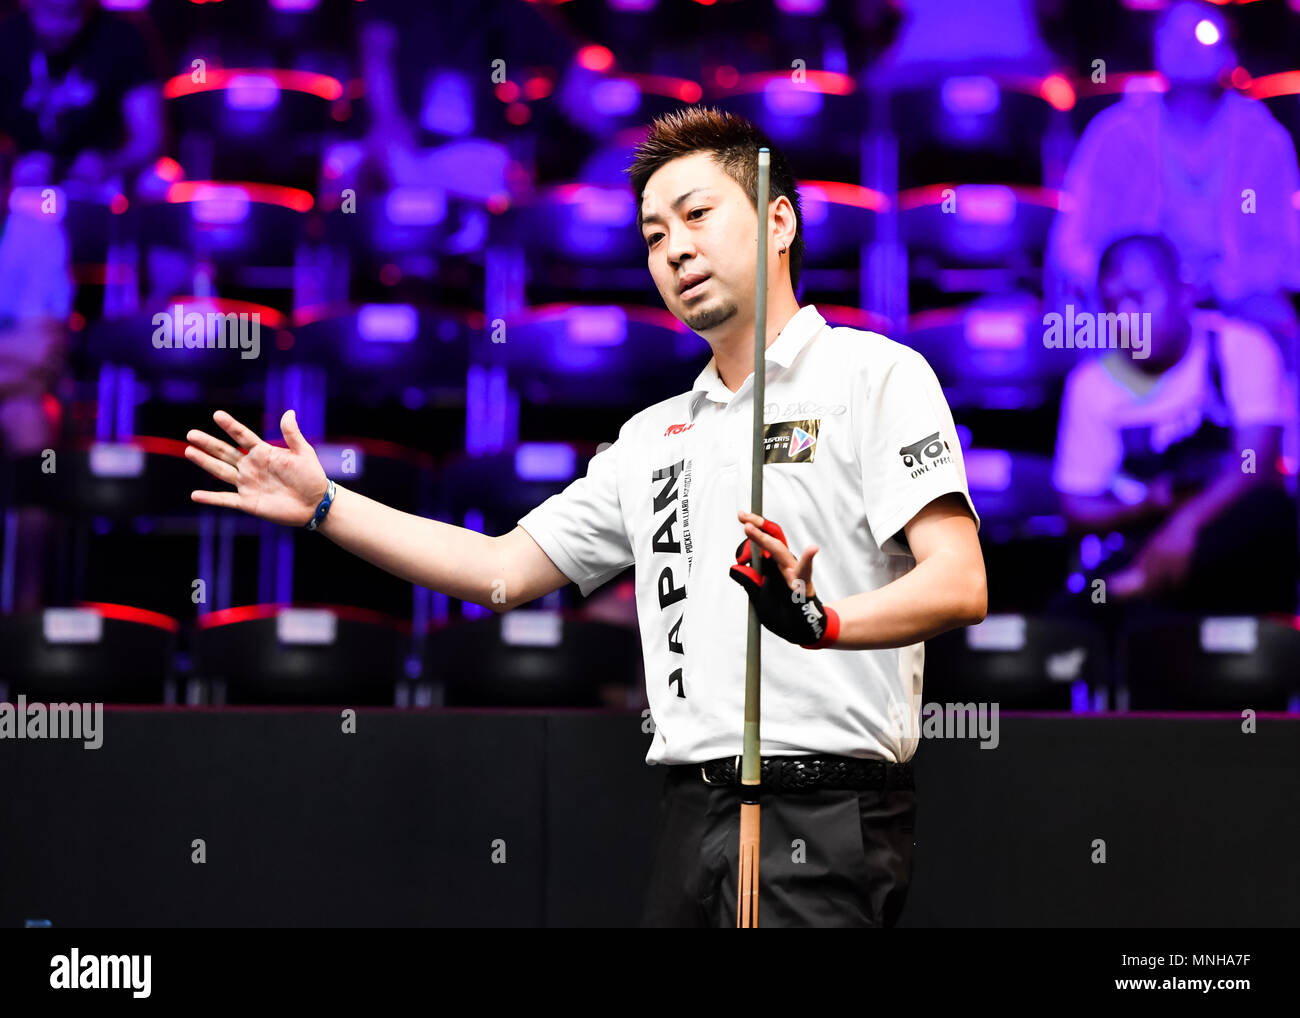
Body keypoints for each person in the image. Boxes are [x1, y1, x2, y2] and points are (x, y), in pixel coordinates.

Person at [184, 107, 987, 928]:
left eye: (698, 214)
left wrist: (822, 621)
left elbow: (960, 582)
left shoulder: (875, 374)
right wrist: (325, 506)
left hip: (821, 811)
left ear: (777, 221)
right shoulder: (652, 437)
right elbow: (500, 572)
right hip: (690, 815)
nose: (673, 248)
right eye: (652, 235)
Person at [1052, 233, 1299, 617]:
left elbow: (1257, 466)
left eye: (1138, 297)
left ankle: (1138, 587)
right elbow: (1076, 506)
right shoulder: (1091, 385)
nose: (1125, 317)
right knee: (1073, 615)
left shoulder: (1240, 348)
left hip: (1237, 536)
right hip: (1143, 541)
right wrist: (1150, 505)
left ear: (1184, 292)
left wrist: (1183, 527)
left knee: (1268, 511)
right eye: (1112, 304)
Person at [1046, 0, 1300, 365]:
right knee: (1080, 328)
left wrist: (1221, 284)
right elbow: (1072, 245)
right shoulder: (1115, 135)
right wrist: (1139, 286)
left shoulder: (1263, 138)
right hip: (1134, 307)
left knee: (1277, 330)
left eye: (1201, 33)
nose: (1185, 44)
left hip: (1238, 303)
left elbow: (1286, 251)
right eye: (1171, 33)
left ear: (1228, 51)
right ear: (1155, 48)